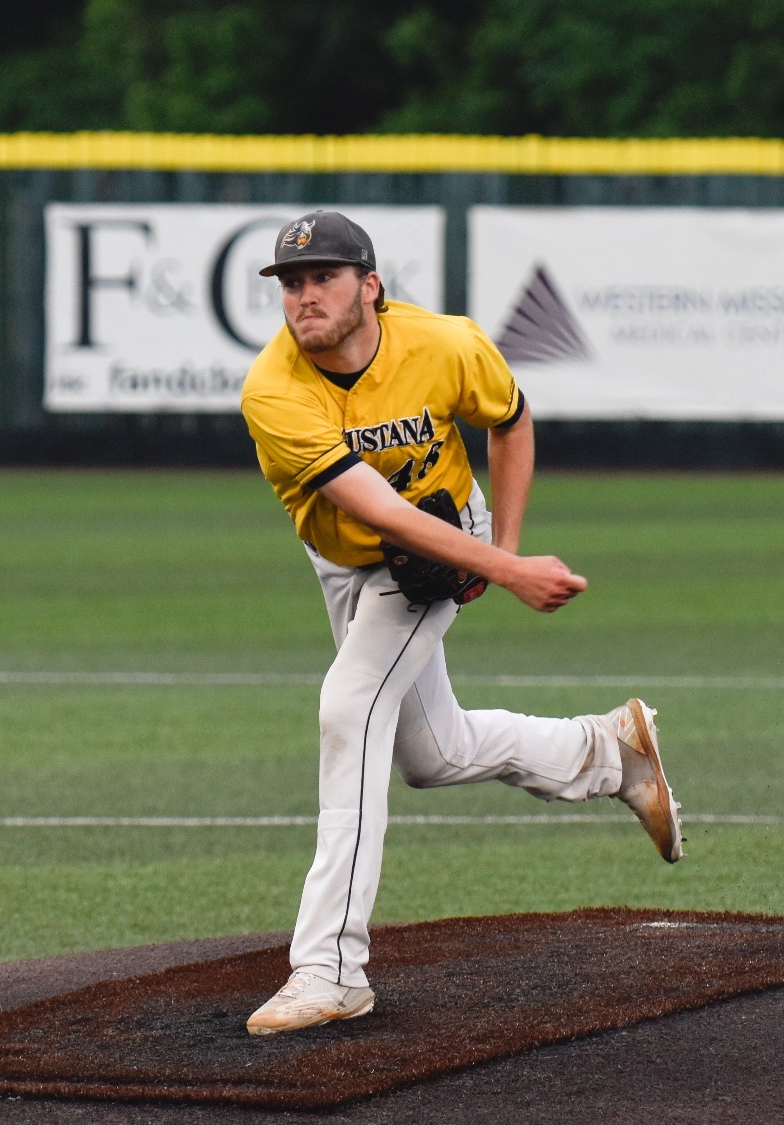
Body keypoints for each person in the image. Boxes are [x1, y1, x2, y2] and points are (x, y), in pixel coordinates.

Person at [237, 210, 683, 1037]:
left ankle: (329, 968)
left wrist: (500, 545)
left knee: (349, 708)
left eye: (324, 277)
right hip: (356, 555)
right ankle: (610, 753)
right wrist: (509, 571)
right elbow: (374, 509)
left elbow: (509, 420)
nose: (305, 296)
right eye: (291, 283)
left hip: (442, 546)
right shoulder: (274, 390)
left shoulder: (445, 344)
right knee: (431, 753)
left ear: (370, 284)